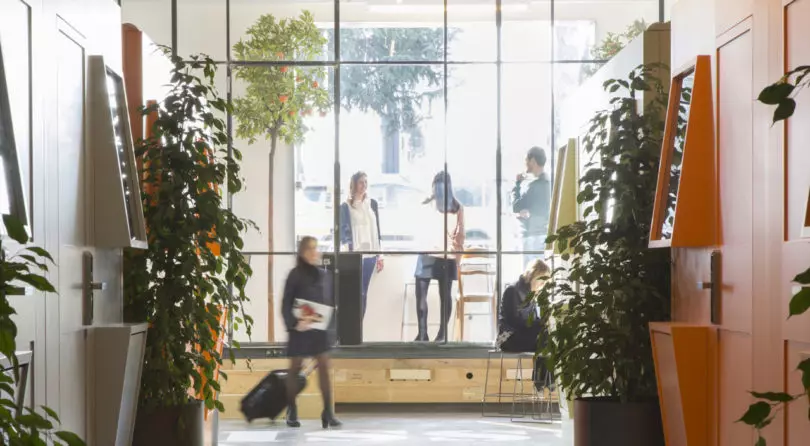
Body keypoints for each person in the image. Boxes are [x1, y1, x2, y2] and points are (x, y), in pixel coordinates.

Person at [281, 236, 341, 429]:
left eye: (316, 248)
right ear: (302, 252)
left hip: (318, 331)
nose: (315, 252)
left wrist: (325, 325)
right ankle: (291, 409)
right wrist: (294, 323)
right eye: (310, 249)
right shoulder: (294, 274)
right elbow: (285, 304)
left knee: (324, 366)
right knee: (295, 367)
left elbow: (329, 304)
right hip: (299, 329)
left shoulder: (325, 275)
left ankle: (327, 413)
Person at [413, 171, 465, 342]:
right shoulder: (456, 207)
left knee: (423, 294)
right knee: (443, 296)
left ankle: (425, 334)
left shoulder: (428, 205)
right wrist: (457, 260)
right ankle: (438, 335)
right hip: (443, 254)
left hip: (432, 253)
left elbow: (459, 236)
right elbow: (460, 236)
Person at [497, 259, 552, 390]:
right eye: (542, 280)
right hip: (508, 338)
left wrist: (543, 322)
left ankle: (541, 382)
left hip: (522, 336)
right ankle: (543, 382)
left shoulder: (531, 294)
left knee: (548, 337)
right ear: (532, 275)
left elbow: (532, 321)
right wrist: (540, 323)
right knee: (545, 338)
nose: (543, 285)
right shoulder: (512, 291)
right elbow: (513, 321)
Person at [339, 171, 384, 320]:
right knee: (353, 294)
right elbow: (344, 233)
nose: (364, 185)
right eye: (361, 182)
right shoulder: (346, 206)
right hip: (354, 256)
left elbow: (377, 231)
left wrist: (380, 255)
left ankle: (358, 329)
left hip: (370, 256)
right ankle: (350, 329)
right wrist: (349, 253)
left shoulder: (372, 204)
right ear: (354, 184)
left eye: (366, 182)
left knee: (363, 293)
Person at [511, 146, 551, 268]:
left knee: (530, 276)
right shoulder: (548, 183)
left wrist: (517, 184)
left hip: (532, 237)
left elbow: (516, 206)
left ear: (533, 161)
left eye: (526, 160)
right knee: (540, 275)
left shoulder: (534, 186)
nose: (525, 163)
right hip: (543, 235)